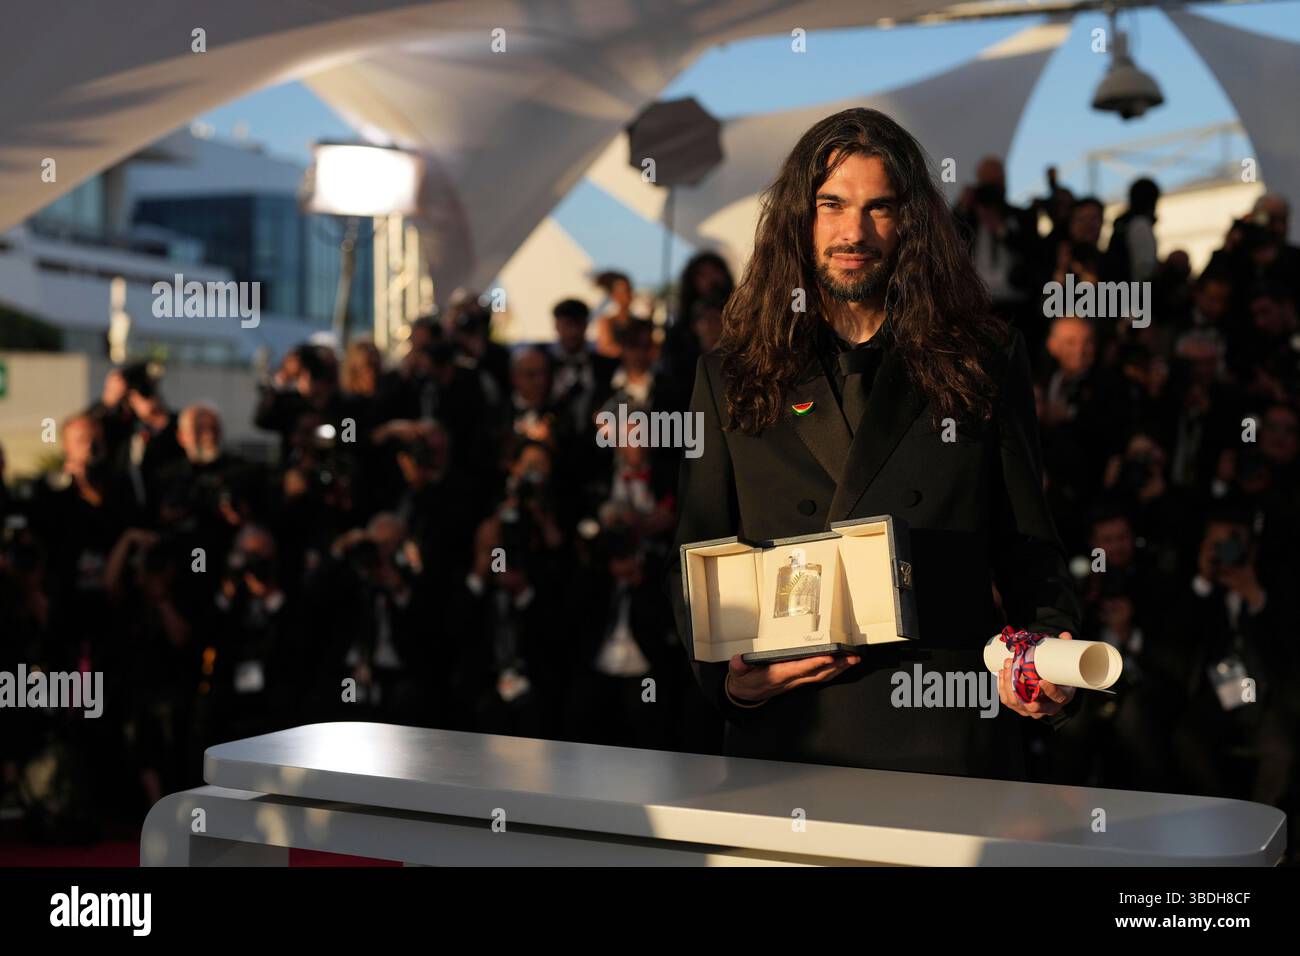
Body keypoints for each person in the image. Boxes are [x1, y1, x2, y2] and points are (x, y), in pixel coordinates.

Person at [665, 108, 1083, 780]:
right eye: (831, 205)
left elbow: (1028, 545)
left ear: (910, 224)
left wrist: (1044, 660)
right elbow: (695, 554)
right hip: (789, 736)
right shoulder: (729, 376)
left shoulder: (984, 357)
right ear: (799, 219)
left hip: (944, 738)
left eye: (878, 208)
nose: (852, 231)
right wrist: (728, 682)